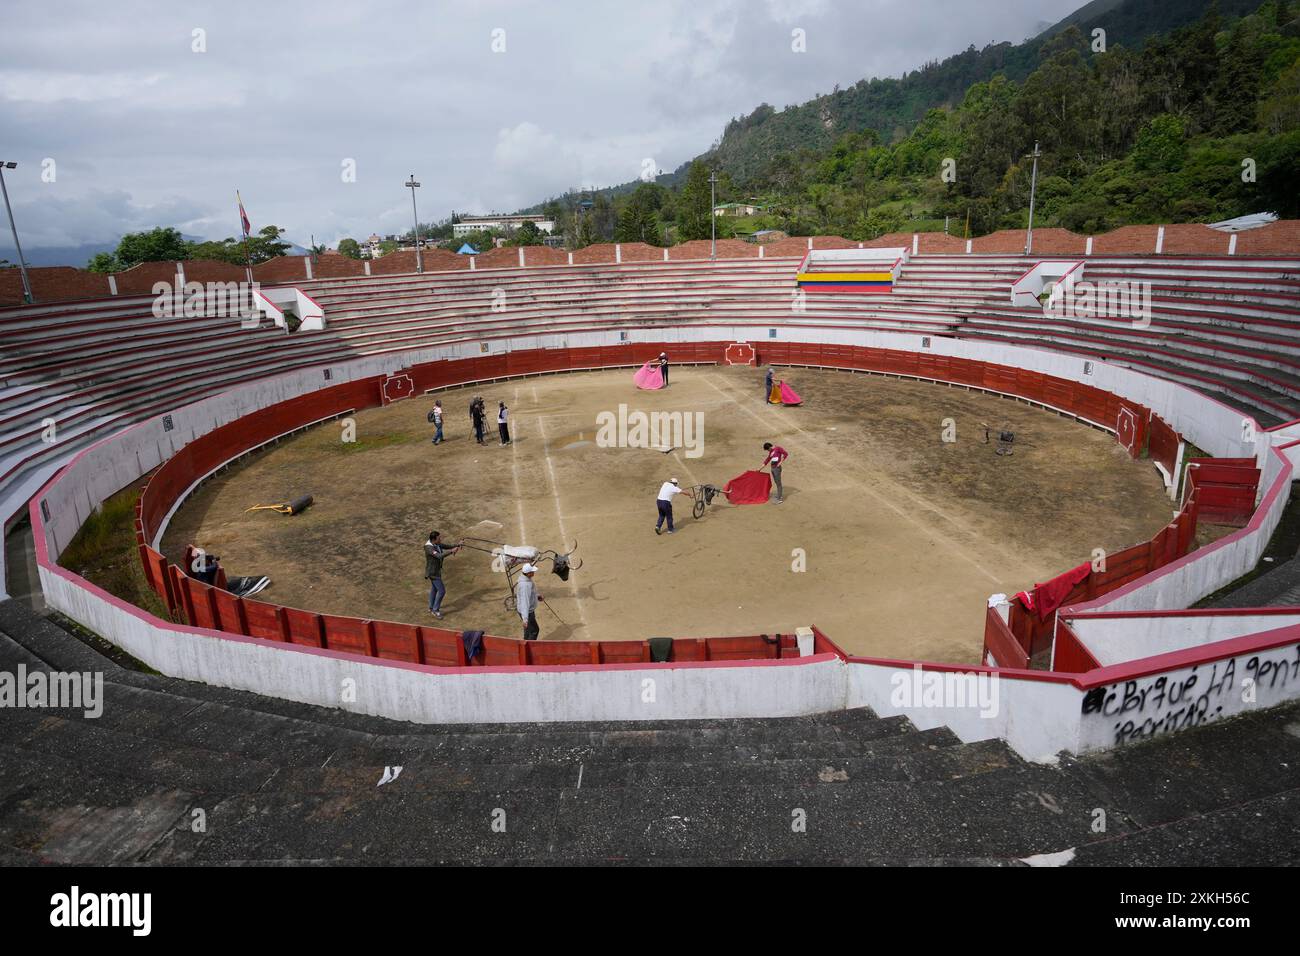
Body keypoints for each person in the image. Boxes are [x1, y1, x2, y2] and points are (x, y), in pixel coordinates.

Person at [423, 530, 460, 619]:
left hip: (436, 571)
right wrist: (451, 551)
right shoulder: (429, 548)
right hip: (433, 573)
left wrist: (457, 545)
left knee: (434, 589)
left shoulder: (436, 544)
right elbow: (439, 556)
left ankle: (431, 607)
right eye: (439, 538)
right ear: (434, 539)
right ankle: (435, 610)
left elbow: (446, 546)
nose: (441, 539)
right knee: (442, 591)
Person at [516, 563, 543, 640]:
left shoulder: (525, 578)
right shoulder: (525, 586)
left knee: (528, 630)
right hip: (527, 612)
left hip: (526, 611)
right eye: (532, 571)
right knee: (534, 631)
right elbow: (525, 602)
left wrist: (537, 596)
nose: (534, 572)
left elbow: (530, 593)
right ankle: (530, 648)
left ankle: (524, 646)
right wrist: (525, 619)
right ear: (528, 573)